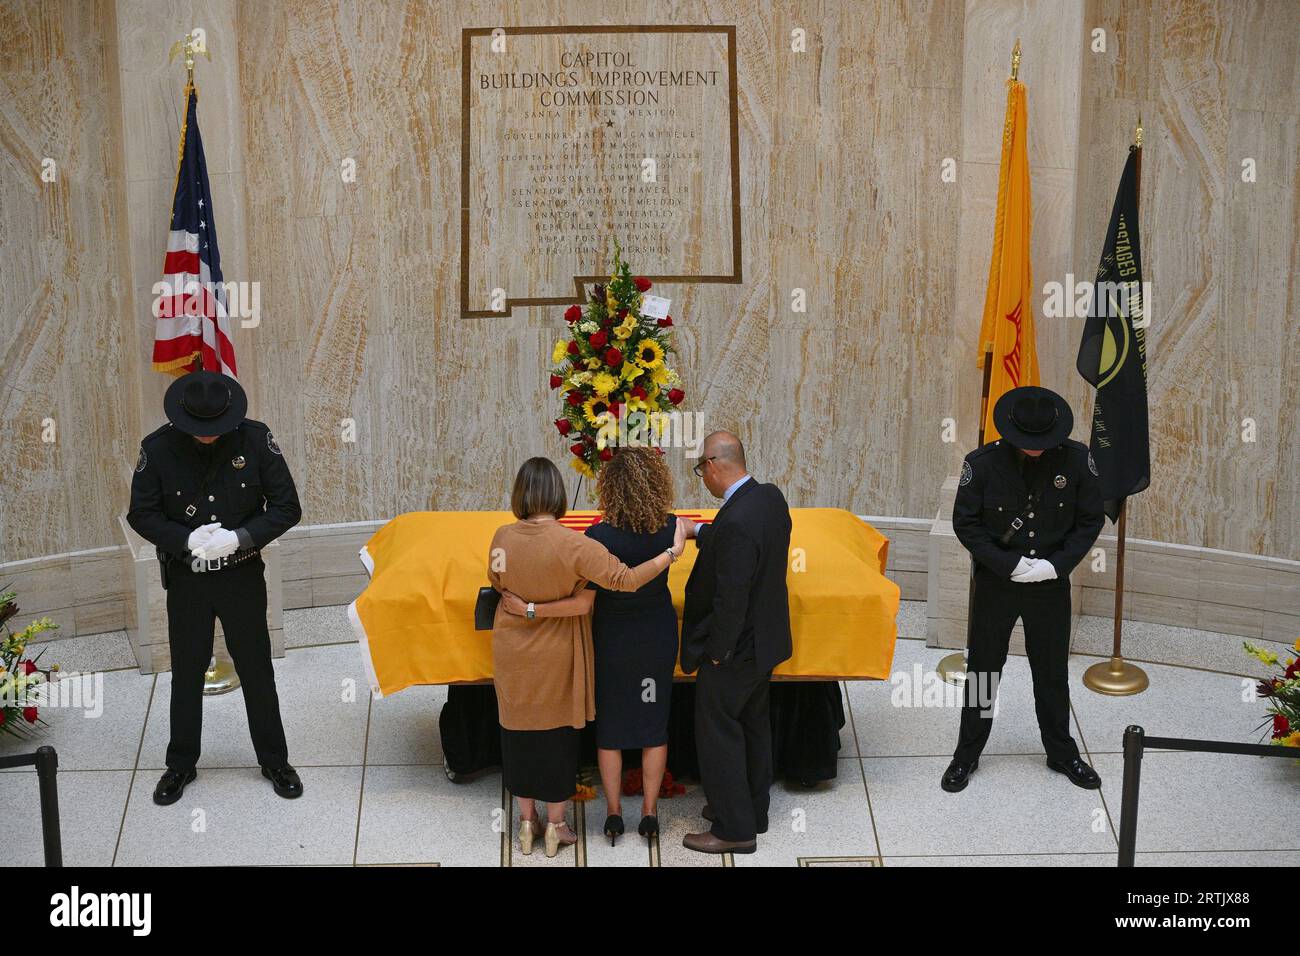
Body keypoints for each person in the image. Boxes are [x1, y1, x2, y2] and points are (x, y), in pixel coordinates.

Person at [487, 457, 686, 858]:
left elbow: (497, 581)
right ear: (559, 495)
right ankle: (562, 824)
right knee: (563, 734)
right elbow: (622, 581)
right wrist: (672, 552)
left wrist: (526, 607)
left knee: (519, 728)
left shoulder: (503, 538)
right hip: (575, 649)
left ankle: (529, 822)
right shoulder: (578, 544)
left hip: (517, 649)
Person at [127, 369, 303, 805]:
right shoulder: (157, 449)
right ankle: (180, 764)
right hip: (188, 578)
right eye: (198, 431)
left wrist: (241, 537)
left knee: (256, 667)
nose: (207, 438)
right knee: (186, 671)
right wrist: (185, 539)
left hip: (241, 574)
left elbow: (287, 507)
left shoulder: (257, 441)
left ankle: (275, 761)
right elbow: (141, 514)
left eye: (216, 430)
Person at [942, 385, 1105, 794]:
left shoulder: (1078, 461)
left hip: (1049, 584)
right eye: (1027, 444)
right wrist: (1009, 564)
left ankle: (1062, 752)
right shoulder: (981, 464)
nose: (1035, 451)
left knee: (1050, 671)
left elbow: (1089, 520)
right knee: (983, 670)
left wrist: (1055, 565)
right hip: (997, 583)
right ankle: (967, 754)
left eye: (1043, 444)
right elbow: (966, 523)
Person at [677, 431, 792, 854]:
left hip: (735, 649)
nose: (701, 478)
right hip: (765, 643)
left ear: (712, 465)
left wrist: (718, 654)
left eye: (699, 469)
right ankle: (752, 809)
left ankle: (733, 829)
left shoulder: (739, 520)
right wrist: (702, 532)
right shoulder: (768, 498)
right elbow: (739, 546)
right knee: (752, 727)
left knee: (718, 733)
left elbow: (731, 597)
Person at [579, 447, 679, 846]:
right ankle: (651, 813)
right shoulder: (670, 527)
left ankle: (614, 813)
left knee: (612, 728)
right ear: (657, 486)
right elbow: (695, 528)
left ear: (610, 488)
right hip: (655, 636)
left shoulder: (597, 537)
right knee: (654, 724)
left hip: (613, 640)